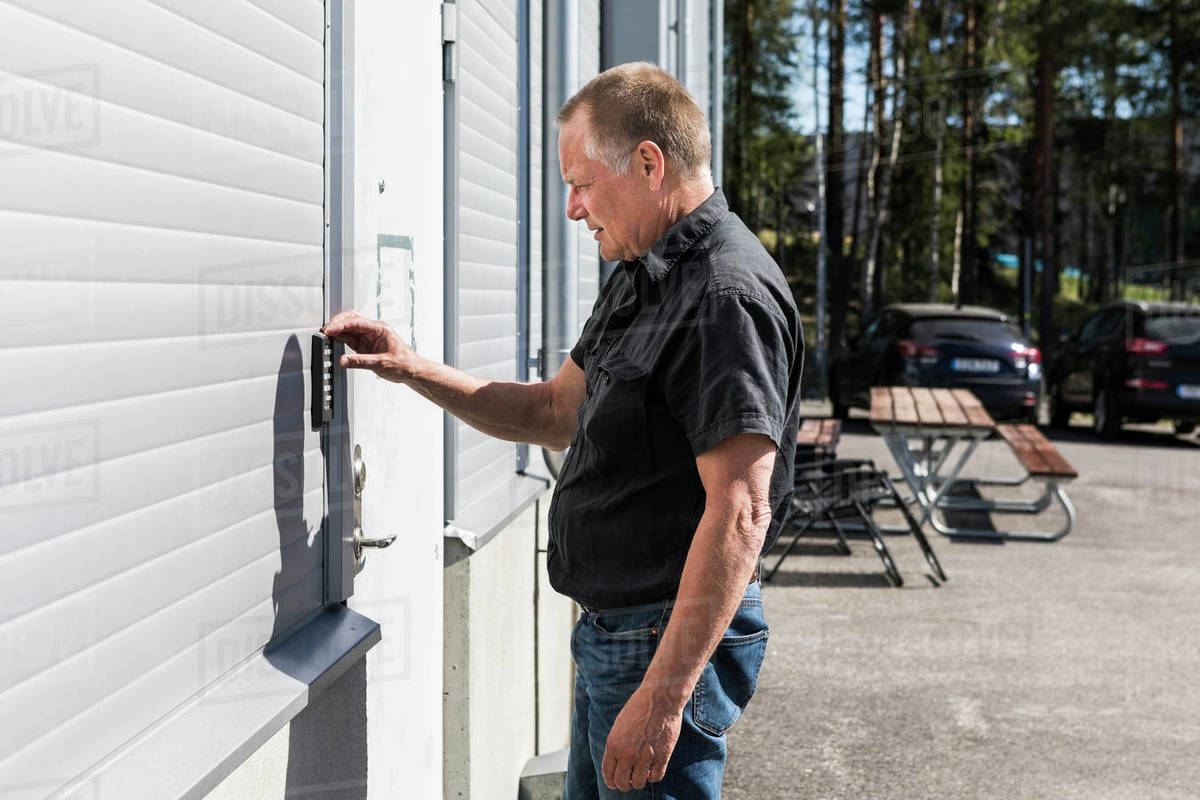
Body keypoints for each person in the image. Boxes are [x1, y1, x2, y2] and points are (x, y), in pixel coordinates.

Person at [324, 62, 802, 798]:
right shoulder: (642, 273)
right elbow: (553, 411)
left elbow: (740, 510)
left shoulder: (723, 295)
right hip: (616, 637)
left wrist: (665, 697)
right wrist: (411, 367)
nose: (574, 209)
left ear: (649, 163)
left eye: (581, 184)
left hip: (659, 644)